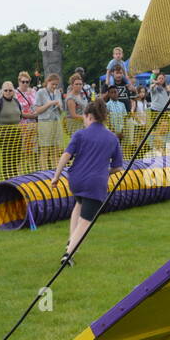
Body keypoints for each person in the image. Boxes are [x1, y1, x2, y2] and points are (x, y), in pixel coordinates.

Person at [50, 98, 123, 267]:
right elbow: (118, 168)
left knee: (78, 204)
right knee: (86, 221)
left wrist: (56, 176)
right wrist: (105, 171)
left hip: (76, 180)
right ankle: (68, 254)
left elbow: (66, 156)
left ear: (89, 116)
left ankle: (71, 241)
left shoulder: (80, 134)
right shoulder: (112, 138)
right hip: (95, 183)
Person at [0, 80, 24, 179]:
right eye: (6, 90)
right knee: (7, 156)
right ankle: (7, 177)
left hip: (16, 132)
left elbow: (19, 115)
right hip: (4, 134)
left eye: (10, 90)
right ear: (2, 91)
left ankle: (14, 175)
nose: (8, 92)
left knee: (16, 156)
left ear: (13, 91)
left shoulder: (16, 102)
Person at [33, 73, 65, 169]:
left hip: (56, 122)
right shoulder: (40, 92)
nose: (54, 86)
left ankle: (54, 172)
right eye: (53, 84)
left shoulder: (58, 92)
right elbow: (37, 110)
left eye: (56, 84)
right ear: (47, 82)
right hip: (45, 123)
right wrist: (49, 103)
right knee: (45, 151)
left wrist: (60, 107)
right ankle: (44, 173)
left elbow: (61, 110)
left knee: (56, 150)